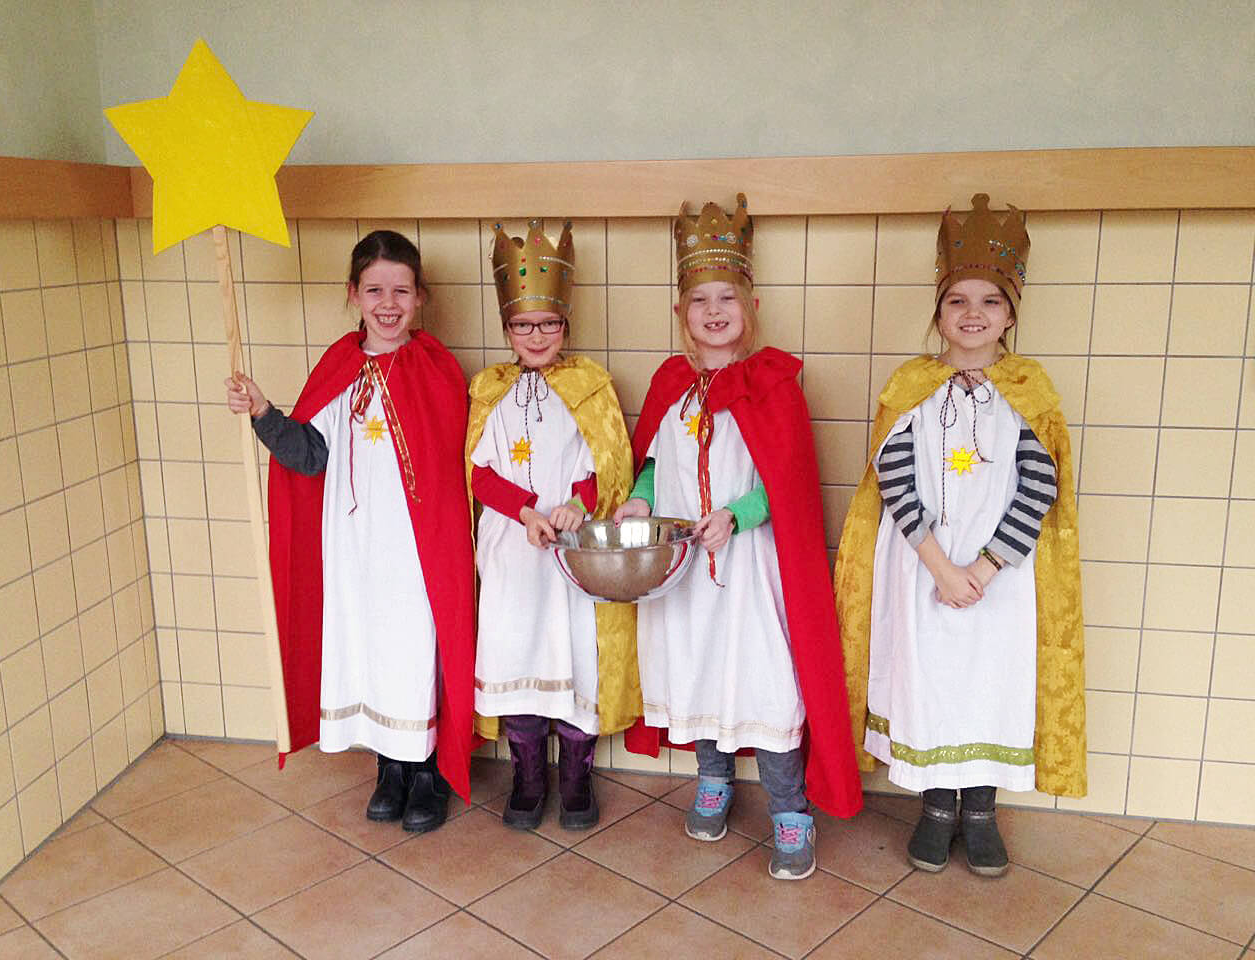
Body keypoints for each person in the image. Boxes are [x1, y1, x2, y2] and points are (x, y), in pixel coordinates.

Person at [835, 194, 1087, 876]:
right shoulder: (912, 386)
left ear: (1011, 314)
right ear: (938, 311)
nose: (973, 315)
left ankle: (980, 810)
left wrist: (984, 568)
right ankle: (935, 807)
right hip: (922, 568)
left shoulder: (1029, 390)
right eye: (957, 302)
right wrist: (940, 566)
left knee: (988, 683)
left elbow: (1041, 486)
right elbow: (893, 477)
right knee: (929, 681)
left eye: (991, 302)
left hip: (999, 583)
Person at [616, 194, 862, 880]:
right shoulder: (672, 385)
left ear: (749, 307)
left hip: (751, 570)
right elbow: (658, 461)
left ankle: (789, 810)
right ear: (681, 314)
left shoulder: (773, 383)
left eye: (728, 297)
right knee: (694, 667)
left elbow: (784, 481)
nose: (715, 310)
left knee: (764, 679)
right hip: (684, 570)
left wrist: (738, 514)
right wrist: (639, 500)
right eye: (700, 300)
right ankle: (714, 781)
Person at [225, 229, 475, 832]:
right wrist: (264, 412)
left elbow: (450, 470)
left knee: (417, 648)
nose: (388, 304)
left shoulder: (438, 369)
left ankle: (427, 773)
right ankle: (390, 768)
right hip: (354, 551)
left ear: (421, 298)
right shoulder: (339, 365)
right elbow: (311, 456)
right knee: (368, 649)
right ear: (353, 295)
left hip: (417, 550)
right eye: (374, 290)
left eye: (401, 291)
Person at [466, 219, 639, 831]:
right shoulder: (488, 389)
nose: (535, 335)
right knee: (516, 653)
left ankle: (575, 777)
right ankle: (527, 775)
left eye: (547, 324)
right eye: (522, 324)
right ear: (507, 327)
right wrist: (527, 511)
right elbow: (478, 472)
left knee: (575, 660)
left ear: (565, 324)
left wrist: (574, 503)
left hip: (572, 551)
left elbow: (608, 463)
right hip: (512, 551)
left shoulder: (589, 384)